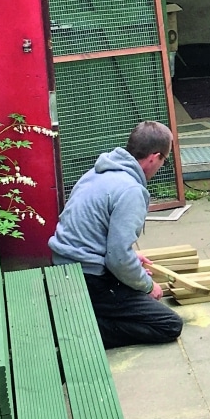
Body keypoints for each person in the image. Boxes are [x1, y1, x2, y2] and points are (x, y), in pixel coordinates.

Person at [49, 120, 184, 349]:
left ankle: (86, 313)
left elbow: (99, 235)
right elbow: (118, 259)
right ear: (154, 157)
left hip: (64, 264)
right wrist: (148, 286)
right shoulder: (130, 190)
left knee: (131, 284)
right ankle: (82, 329)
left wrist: (131, 259)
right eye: (164, 160)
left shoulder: (98, 172)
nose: (162, 165)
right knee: (168, 324)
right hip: (87, 277)